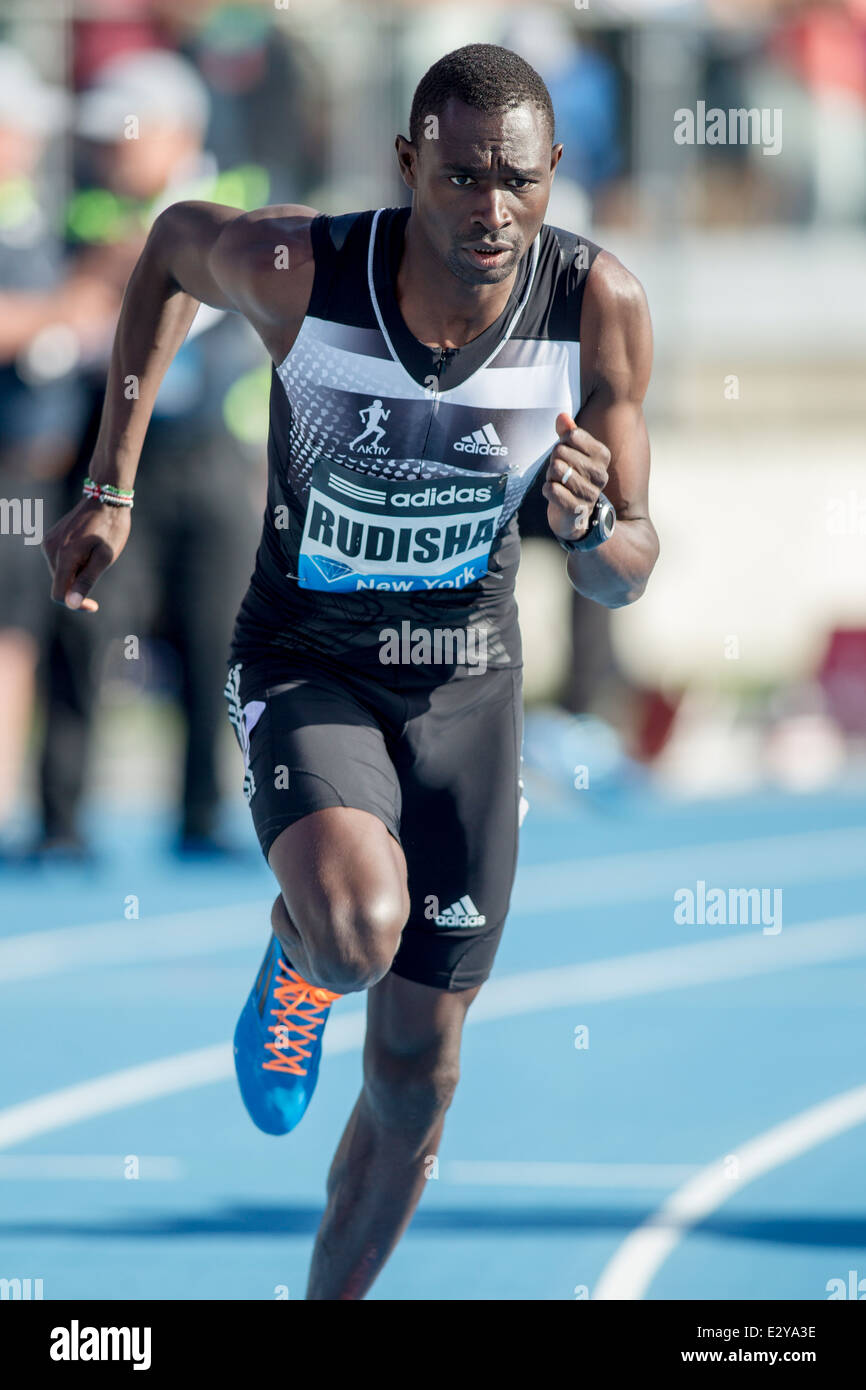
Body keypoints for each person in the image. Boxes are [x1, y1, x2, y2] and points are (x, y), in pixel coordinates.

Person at [43, 44, 658, 1298]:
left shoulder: (596, 303)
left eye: (520, 183)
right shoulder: (304, 269)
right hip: (308, 660)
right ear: (406, 166)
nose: (490, 212)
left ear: (553, 178)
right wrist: (111, 477)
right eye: (461, 178)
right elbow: (165, 246)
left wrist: (594, 529)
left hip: (467, 689)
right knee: (356, 926)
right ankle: (301, 950)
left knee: (416, 1076)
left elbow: (626, 572)